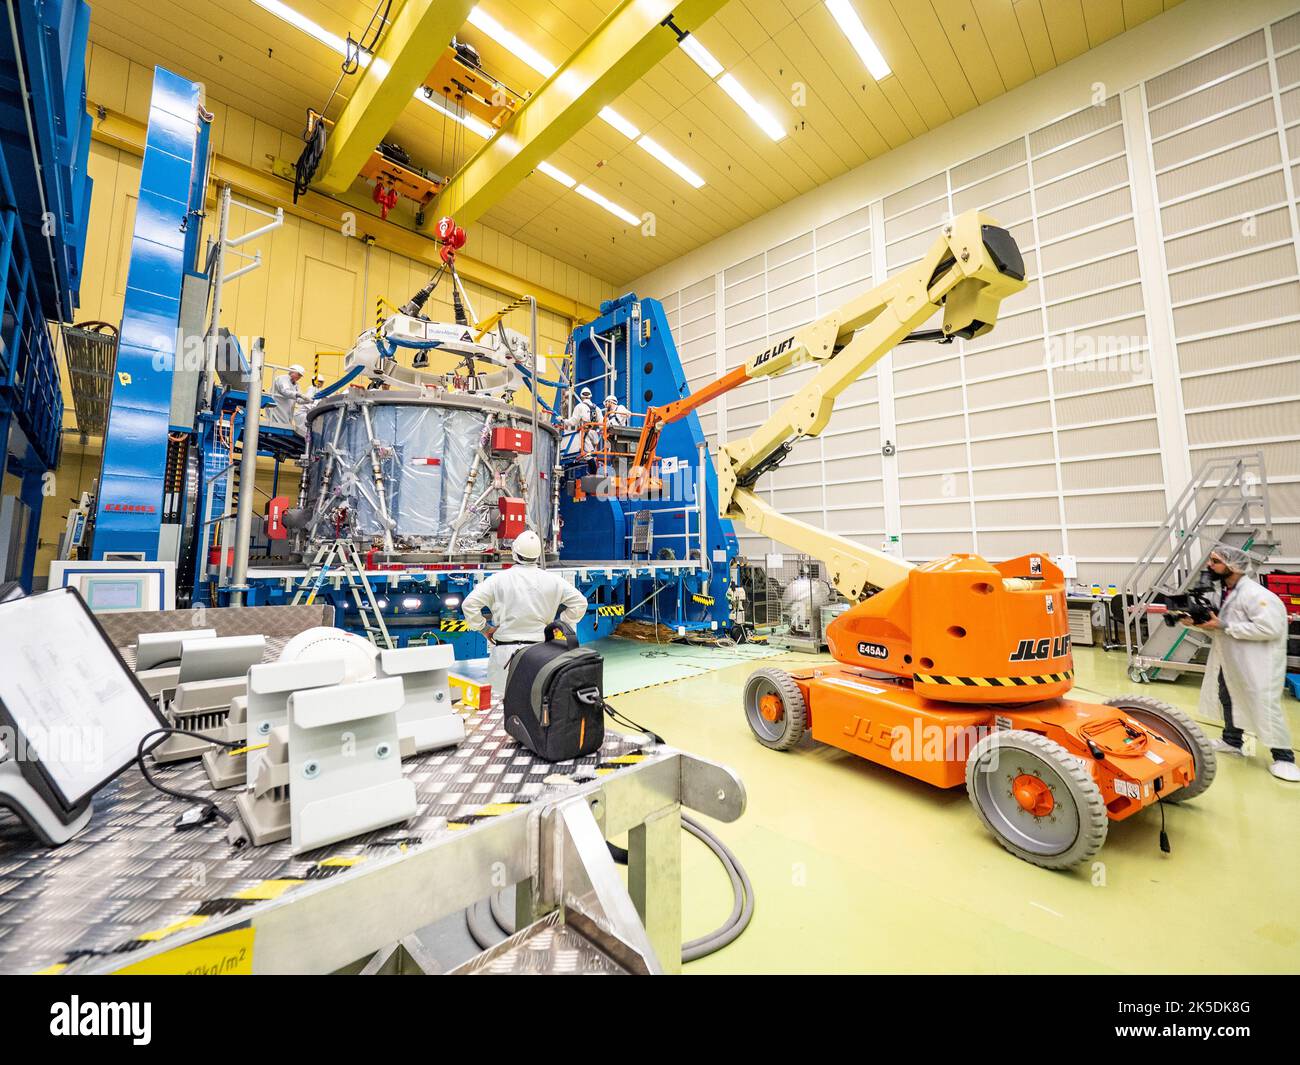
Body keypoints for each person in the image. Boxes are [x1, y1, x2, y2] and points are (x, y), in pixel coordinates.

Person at [1186, 545, 1298, 782]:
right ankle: (1232, 741)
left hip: (1257, 663)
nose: (1209, 565)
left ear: (1233, 566)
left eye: (1215, 561)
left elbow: (1269, 628)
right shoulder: (1225, 593)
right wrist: (1195, 621)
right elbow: (1220, 624)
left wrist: (1223, 626)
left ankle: (1285, 758)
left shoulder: (1258, 596)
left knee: (1264, 707)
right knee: (1228, 698)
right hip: (1231, 659)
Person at [460, 528, 588, 704]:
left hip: (504, 655)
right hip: (540, 655)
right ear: (538, 555)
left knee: (500, 706)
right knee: (535, 706)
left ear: (514, 552)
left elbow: (469, 604)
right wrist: (562, 624)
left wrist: (484, 628)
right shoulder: (553, 581)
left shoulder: (498, 580)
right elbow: (580, 603)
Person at [272, 363, 314, 435]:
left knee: (284, 425)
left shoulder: (296, 385)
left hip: (286, 412)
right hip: (278, 408)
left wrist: (308, 400)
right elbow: (285, 391)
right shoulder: (283, 379)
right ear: (292, 372)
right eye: (299, 374)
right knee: (278, 424)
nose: (299, 377)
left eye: (300, 376)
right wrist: (300, 395)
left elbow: (299, 400)